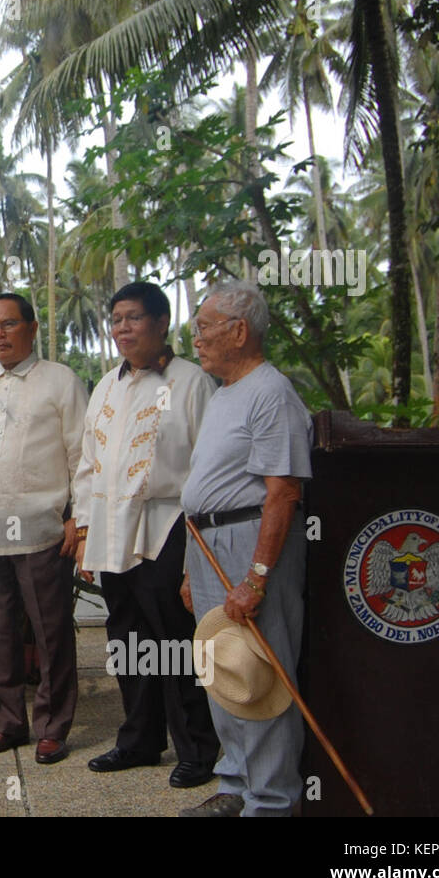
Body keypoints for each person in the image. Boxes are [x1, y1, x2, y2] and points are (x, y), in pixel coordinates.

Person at [74, 282, 220, 788]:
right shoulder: (105, 386)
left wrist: (194, 554)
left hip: (167, 526)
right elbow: (88, 463)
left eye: (133, 318)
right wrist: (84, 527)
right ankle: (139, 740)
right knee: (128, 639)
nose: (122, 329)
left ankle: (198, 750)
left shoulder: (193, 382)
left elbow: (207, 466)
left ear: (161, 324)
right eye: (115, 320)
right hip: (112, 529)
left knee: (176, 641)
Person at [177, 281, 312, 817]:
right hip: (209, 543)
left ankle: (272, 802)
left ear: (239, 331)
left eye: (205, 327)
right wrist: (192, 569)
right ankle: (234, 785)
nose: (197, 338)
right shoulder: (225, 393)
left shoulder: (270, 392)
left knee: (261, 671)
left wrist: (256, 577)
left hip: (248, 541)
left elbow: (282, 492)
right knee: (223, 666)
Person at [0, 293, 86, 765]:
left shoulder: (61, 382)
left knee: (51, 633)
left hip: (45, 528)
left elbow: (81, 456)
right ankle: (7, 723)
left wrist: (77, 519)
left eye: (8, 324)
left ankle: (52, 726)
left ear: (31, 327)